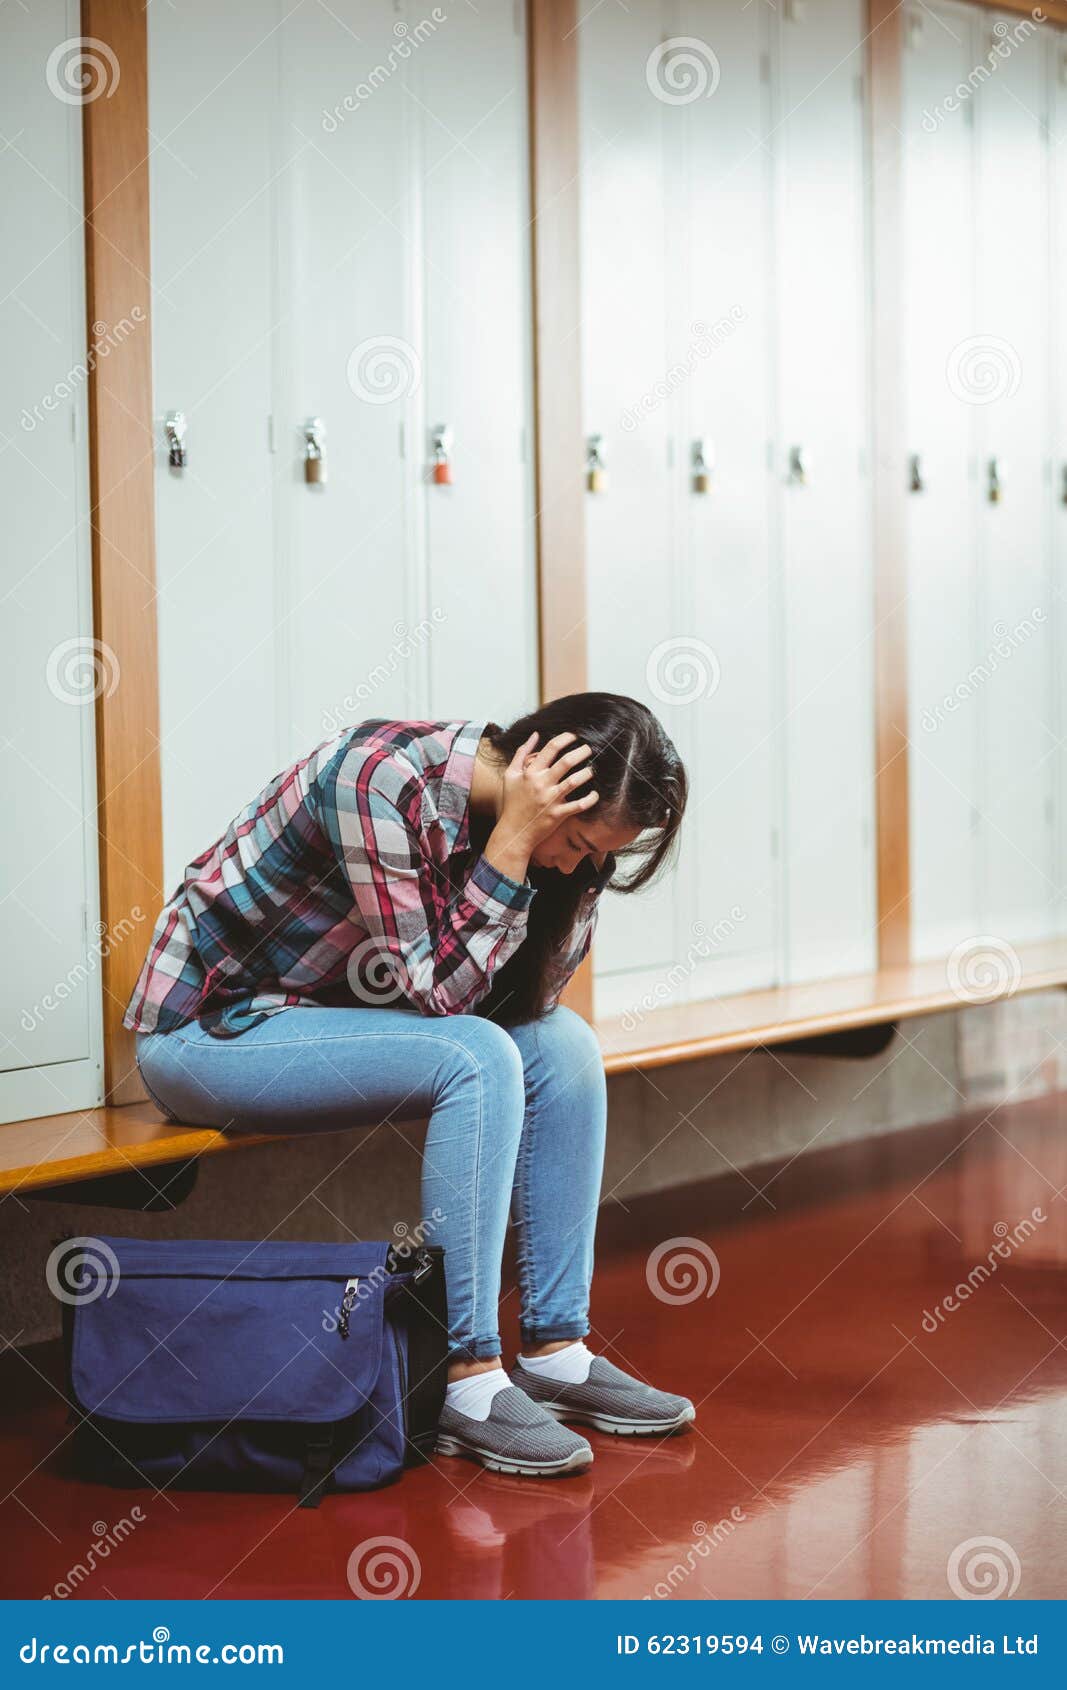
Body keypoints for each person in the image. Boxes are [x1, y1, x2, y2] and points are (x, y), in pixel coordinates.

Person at [127, 692, 694, 1476]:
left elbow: (535, 999)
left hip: (333, 1020)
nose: (581, 863)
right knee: (475, 1053)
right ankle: (465, 1377)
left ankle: (557, 1350)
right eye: (580, 841)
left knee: (562, 1043)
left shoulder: (563, 853)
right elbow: (444, 1000)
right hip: (213, 1033)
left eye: (606, 855)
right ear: (540, 781)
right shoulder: (379, 779)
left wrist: (570, 875)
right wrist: (517, 843)